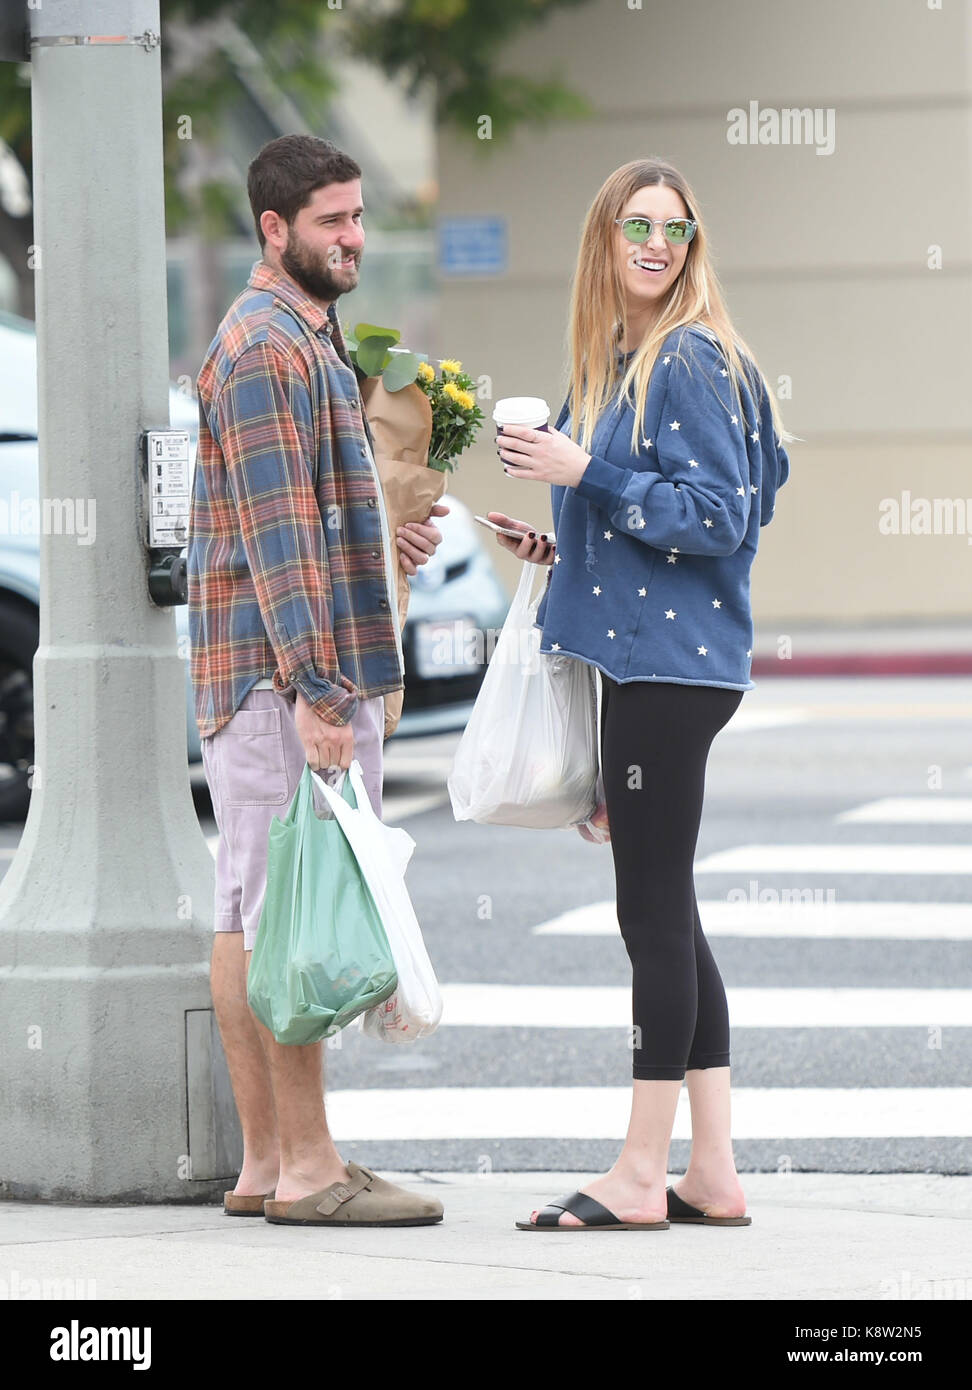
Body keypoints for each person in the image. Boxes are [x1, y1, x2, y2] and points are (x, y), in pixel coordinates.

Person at [490, 156, 791, 1231]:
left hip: (670, 670)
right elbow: (654, 507)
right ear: (605, 243)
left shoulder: (692, 359)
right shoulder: (619, 356)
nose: (659, 245)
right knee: (673, 911)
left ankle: (637, 1170)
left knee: (648, 914)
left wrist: (591, 479)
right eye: (638, 228)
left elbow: (725, 514)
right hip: (647, 663)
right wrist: (561, 532)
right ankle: (709, 1171)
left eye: (676, 229)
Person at [187, 134, 448, 1228]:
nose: (354, 236)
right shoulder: (261, 347)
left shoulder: (302, 334)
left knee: (254, 898)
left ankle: (265, 1165)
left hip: (276, 667)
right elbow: (279, 535)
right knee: (275, 906)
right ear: (274, 230)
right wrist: (319, 691)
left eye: (356, 217)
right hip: (271, 677)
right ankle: (306, 1167)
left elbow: (316, 510)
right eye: (333, 220)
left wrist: (386, 536)